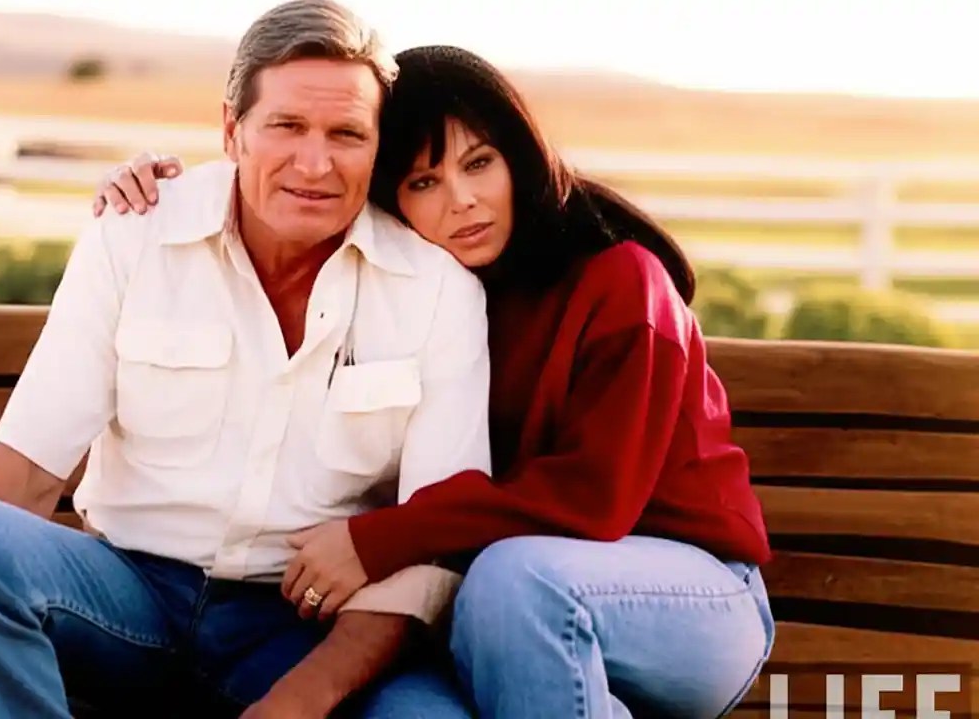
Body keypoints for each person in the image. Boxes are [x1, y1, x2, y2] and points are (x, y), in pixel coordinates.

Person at [0, 4, 495, 719]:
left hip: (303, 626)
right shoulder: (136, 233)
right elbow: (26, 463)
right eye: (286, 126)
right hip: (125, 598)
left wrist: (297, 703)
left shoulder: (439, 291)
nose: (315, 164)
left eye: (347, 134)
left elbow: (431, 540)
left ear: (376, 146)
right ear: (231, 130)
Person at [93, 44, 777, 718]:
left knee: (513, 580)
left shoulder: (621, 283)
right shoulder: (422, 300)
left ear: (519, 156)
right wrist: (158, 193)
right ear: (386, 197)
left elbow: (595, 497)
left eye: (479, 163)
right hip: (513, 620)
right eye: (423, 182)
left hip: (692, 600)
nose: (463, 202)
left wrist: (381, 539)